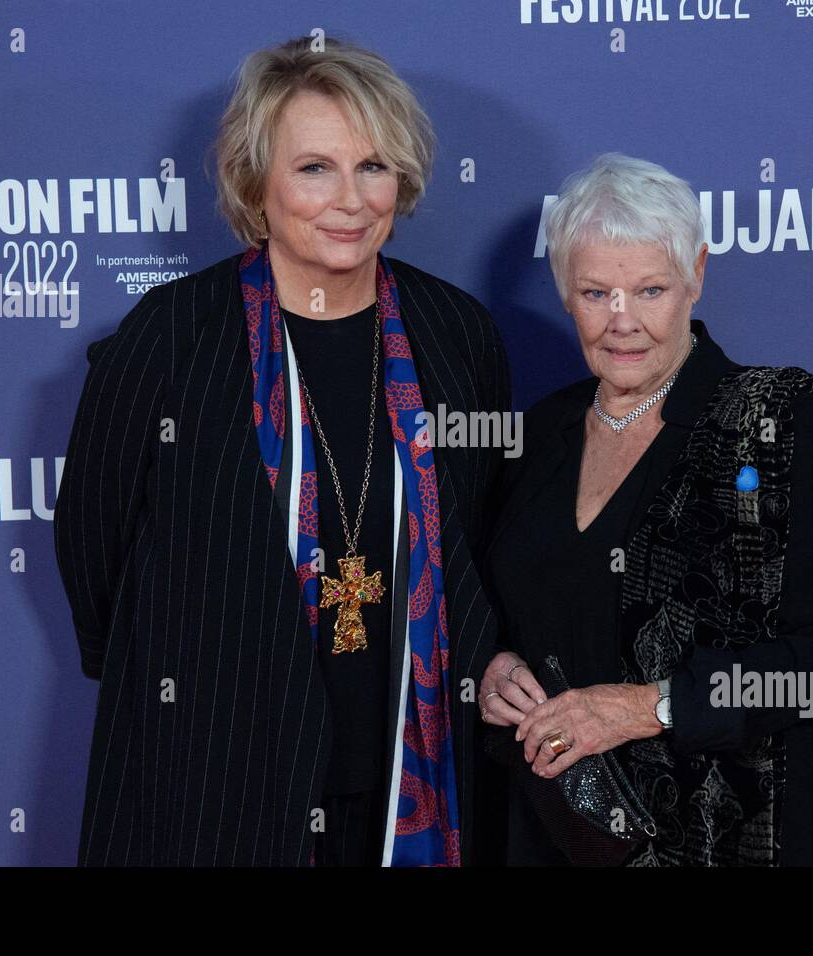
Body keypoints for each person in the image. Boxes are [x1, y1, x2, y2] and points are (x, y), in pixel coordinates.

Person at [53, 36, 511, 866]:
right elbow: (97, 549)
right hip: (213, 768)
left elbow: (472, 544)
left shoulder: (456, 334)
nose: (349, 200)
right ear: (254, 181)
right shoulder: (171, 338)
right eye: (314, 168)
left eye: (373, 166)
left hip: (412, 767)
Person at [477, 152, 813, 866]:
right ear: (564, 294)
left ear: (697, 273)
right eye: (594, 292)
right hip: (550, 831)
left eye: (649, 290)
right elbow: (502, 605)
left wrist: (645, 707)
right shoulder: (536, 434)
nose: (621, 320)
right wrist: (491, 667)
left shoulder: (781, 419)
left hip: (729, 837)